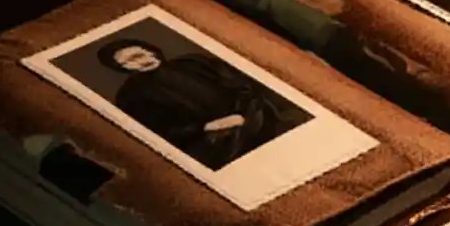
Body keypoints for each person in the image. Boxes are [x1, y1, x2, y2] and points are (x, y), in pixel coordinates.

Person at [96, 38, 311, 170]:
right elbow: (160, 131)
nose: (139, 62)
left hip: (253, 113)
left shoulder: (193, 61)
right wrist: (207, 128)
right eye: (127, 62)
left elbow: (241, 85)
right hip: (210, 141)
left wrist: (240, 112)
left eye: (138, 54)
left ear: (149, 50)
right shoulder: (132, 95)